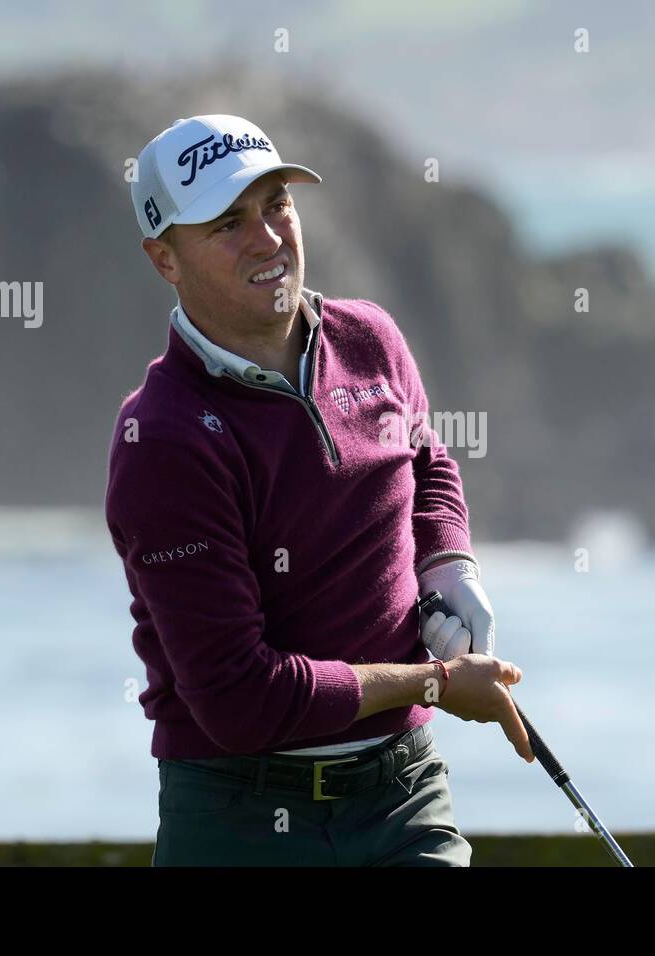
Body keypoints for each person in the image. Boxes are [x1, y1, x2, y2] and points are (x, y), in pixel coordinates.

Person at [104, 114, 534, 866]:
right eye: (228, 223)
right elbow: (241, 700)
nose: (268, 239)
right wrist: (434, 685)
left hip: (403, 795)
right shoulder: (163, 437)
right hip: (238, 815)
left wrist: (448, 565)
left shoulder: (369, 338)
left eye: (276, 204)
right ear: (163, 259)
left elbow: (425, 463)